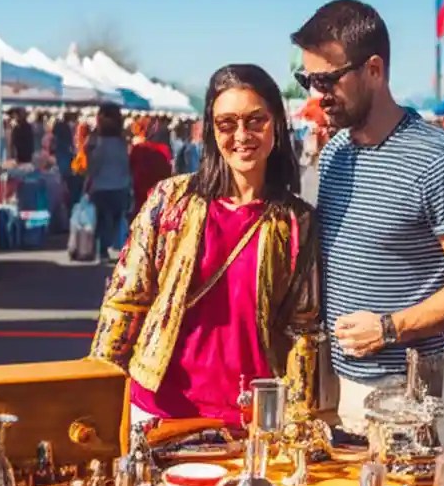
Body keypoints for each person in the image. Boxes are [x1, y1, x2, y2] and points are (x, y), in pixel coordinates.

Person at [292, 0, 444, 437]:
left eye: (327, 79)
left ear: (374, 69)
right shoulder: (335, 153)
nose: (317, 95)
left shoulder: (440, 160)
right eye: (307, 80)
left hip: (397, 390)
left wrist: (390, 328)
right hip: (328, 383)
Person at [91, 64, 329, 428]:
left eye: (255, 120)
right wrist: (96, 399)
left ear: (277, 124)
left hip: (250, 421)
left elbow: (304, 331)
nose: (242, 135)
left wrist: (297, 420)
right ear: (211, 130)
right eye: (226, 124)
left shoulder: (297, 222)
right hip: (160, 410)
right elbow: (124, 302)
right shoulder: (170, 200)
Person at [86, 103, 132, 262]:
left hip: (101, 186)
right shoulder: (122, 142)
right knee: (115, 219)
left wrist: (88, 182)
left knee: (102, 219)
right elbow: (126, 165)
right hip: (120, 186)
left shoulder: (98, 143)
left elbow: (94, 166)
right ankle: (116, 247)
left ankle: (103, 249)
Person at [128, 116, 173, 217]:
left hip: (141, 194)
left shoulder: (137, 149)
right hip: (159, 194)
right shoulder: (164, 150)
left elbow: (129, 169)